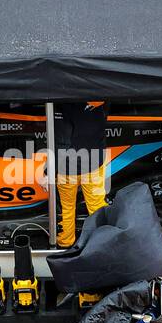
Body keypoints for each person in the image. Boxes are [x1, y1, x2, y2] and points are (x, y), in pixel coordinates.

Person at [53, 101, 109, 247]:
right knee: (97, 206)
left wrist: (49, 171)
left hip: (68, 167)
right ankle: (102, 243)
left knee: (67, 208)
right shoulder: (103, 96)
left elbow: (61, 141)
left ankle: (65, 243)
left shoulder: (62, 101)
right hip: (94, 162)